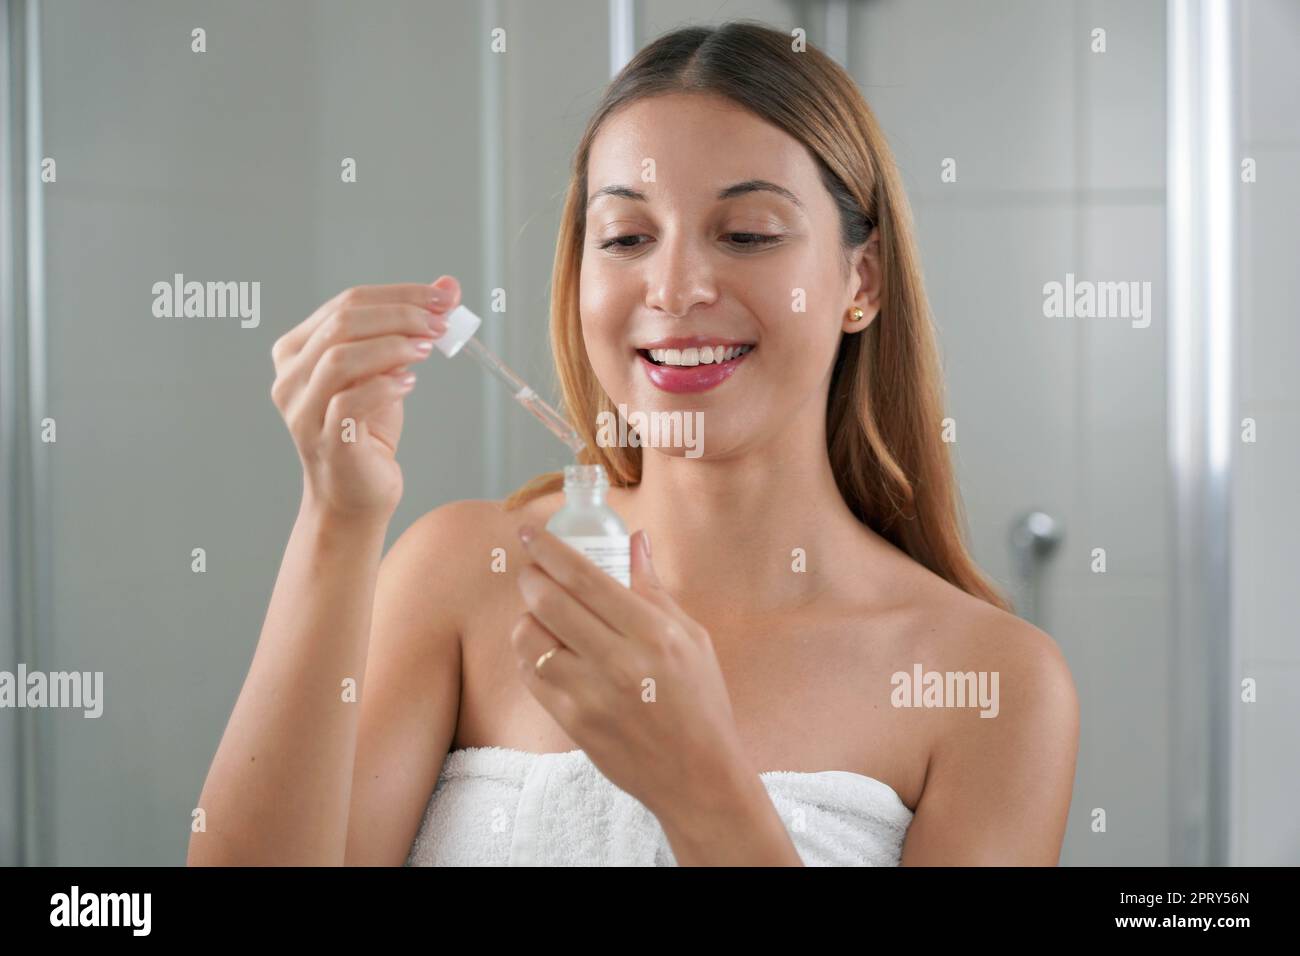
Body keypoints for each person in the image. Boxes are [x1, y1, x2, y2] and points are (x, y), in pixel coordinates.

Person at [189, 21, 1078, 867]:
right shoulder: (460, 576)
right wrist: (337, 519)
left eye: (747, 234)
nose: (676, 285)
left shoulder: (994, 683)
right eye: (625, 237)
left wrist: (703, 788)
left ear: (862, 280)